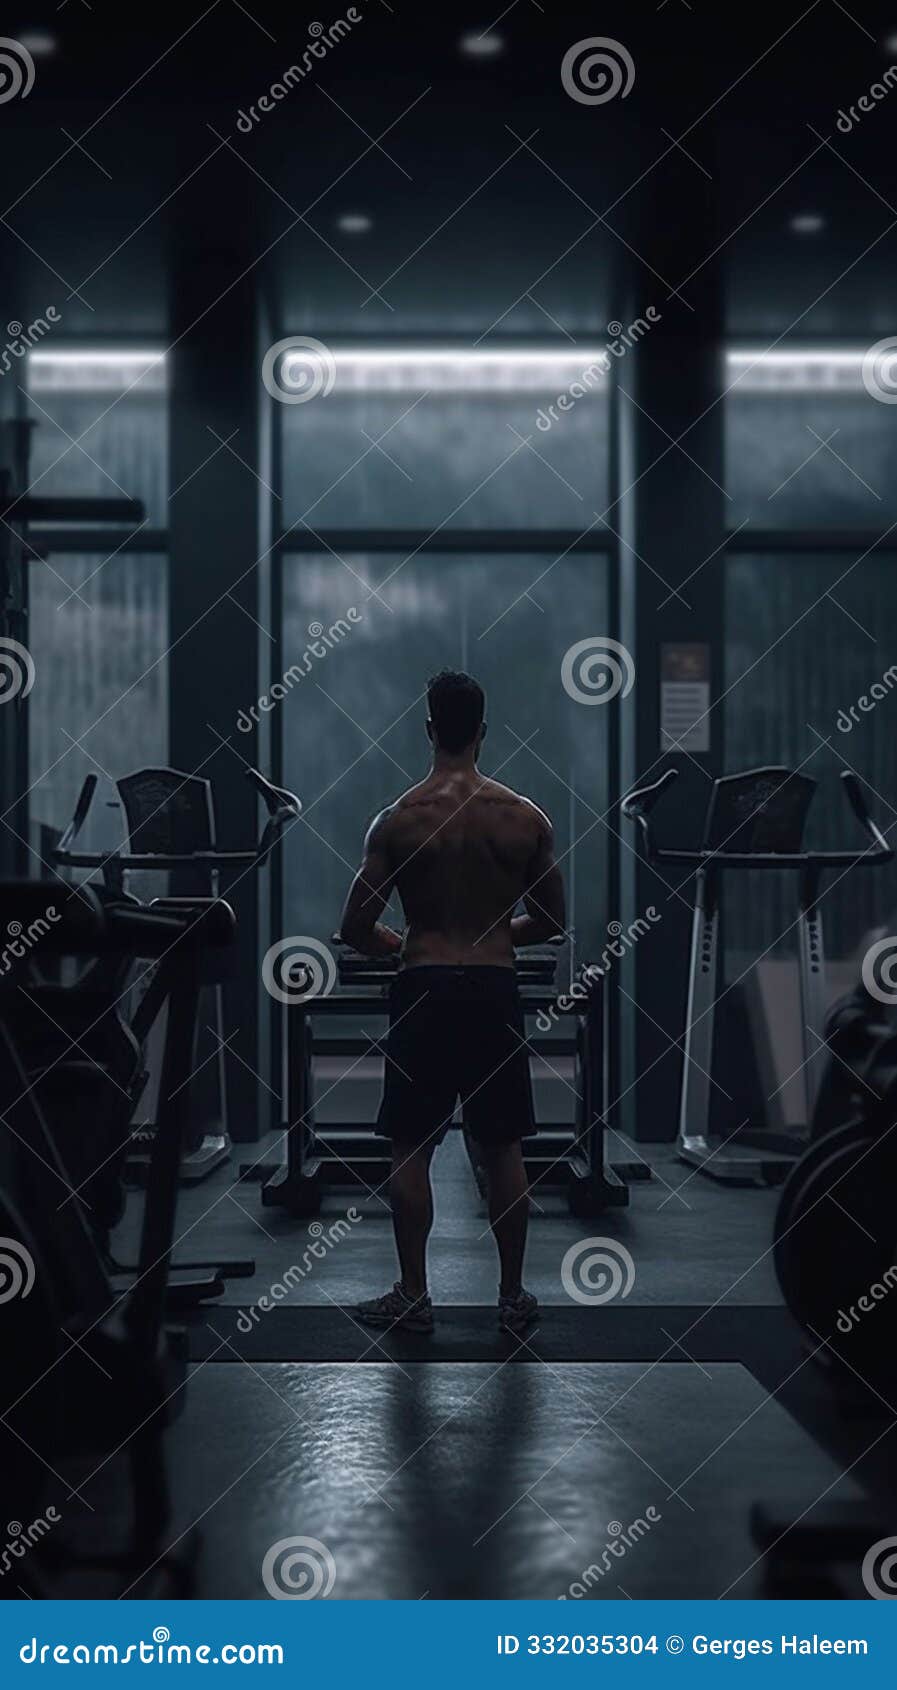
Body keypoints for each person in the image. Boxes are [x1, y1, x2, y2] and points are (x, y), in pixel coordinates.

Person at [338, 669, 566, 1335]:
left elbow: (355, 927)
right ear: (483, 732)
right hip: (493, 989)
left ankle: (413, 1296)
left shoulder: (398, 819)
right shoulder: (525, 818)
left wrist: (401, 943)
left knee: (411, 1146)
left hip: (425, 988)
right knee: (502, 1148)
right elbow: (552, 920)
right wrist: (493, 933)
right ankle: (512, 1296)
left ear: (430, 729)